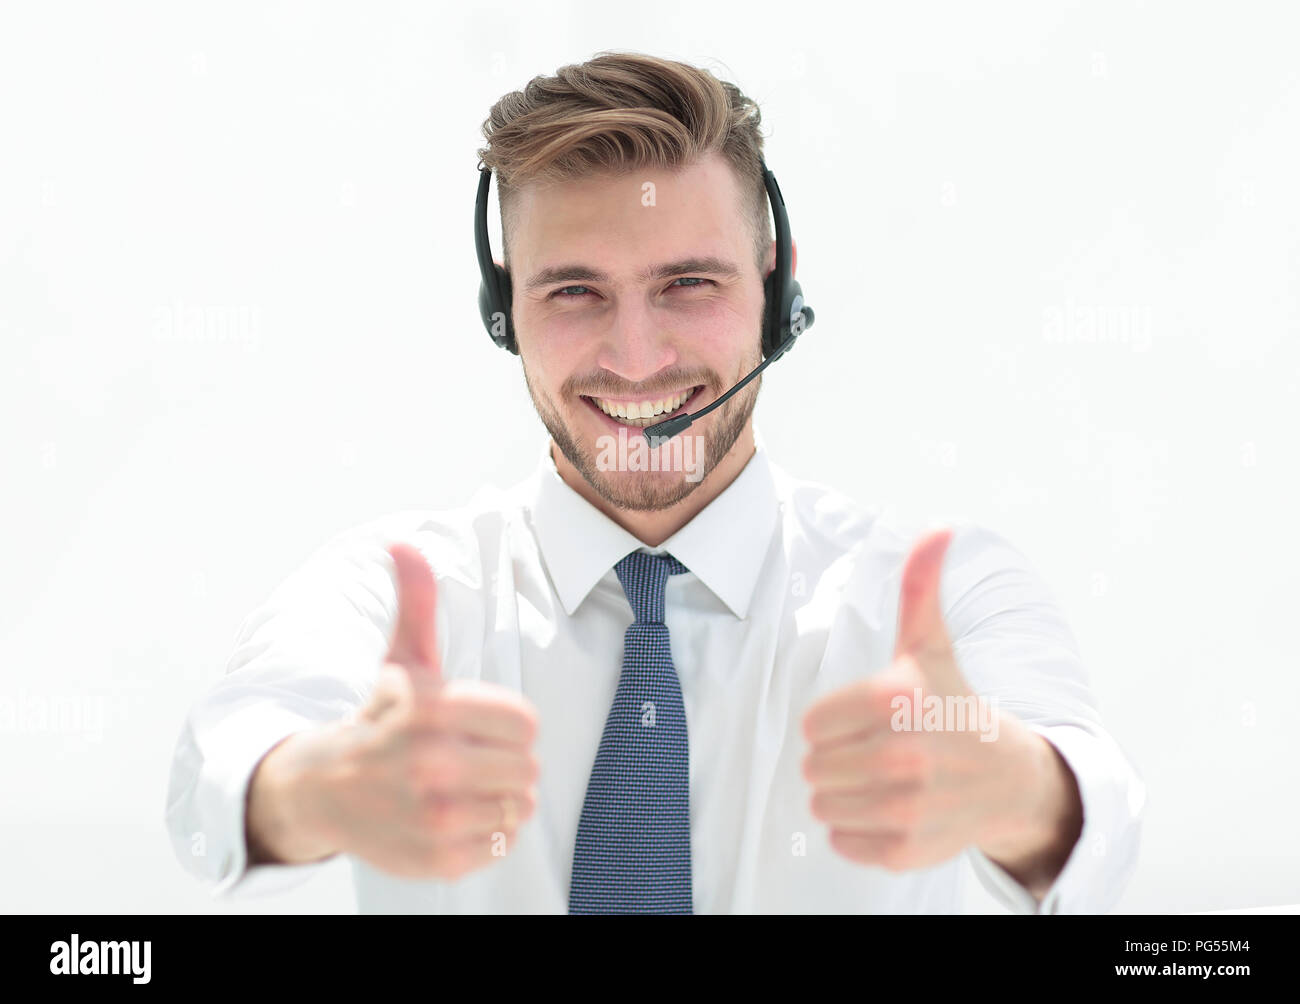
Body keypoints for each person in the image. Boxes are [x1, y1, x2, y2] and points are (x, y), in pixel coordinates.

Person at [165, 51, 1144, 914]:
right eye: (574, 291)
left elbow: (1094, 797)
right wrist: (315, 788)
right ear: (502, 310)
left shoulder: (935, 591)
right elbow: (220, 762)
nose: (635, 359)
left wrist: (1011, 785)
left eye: (688, 284)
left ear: (777, 291)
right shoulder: (394, 589)